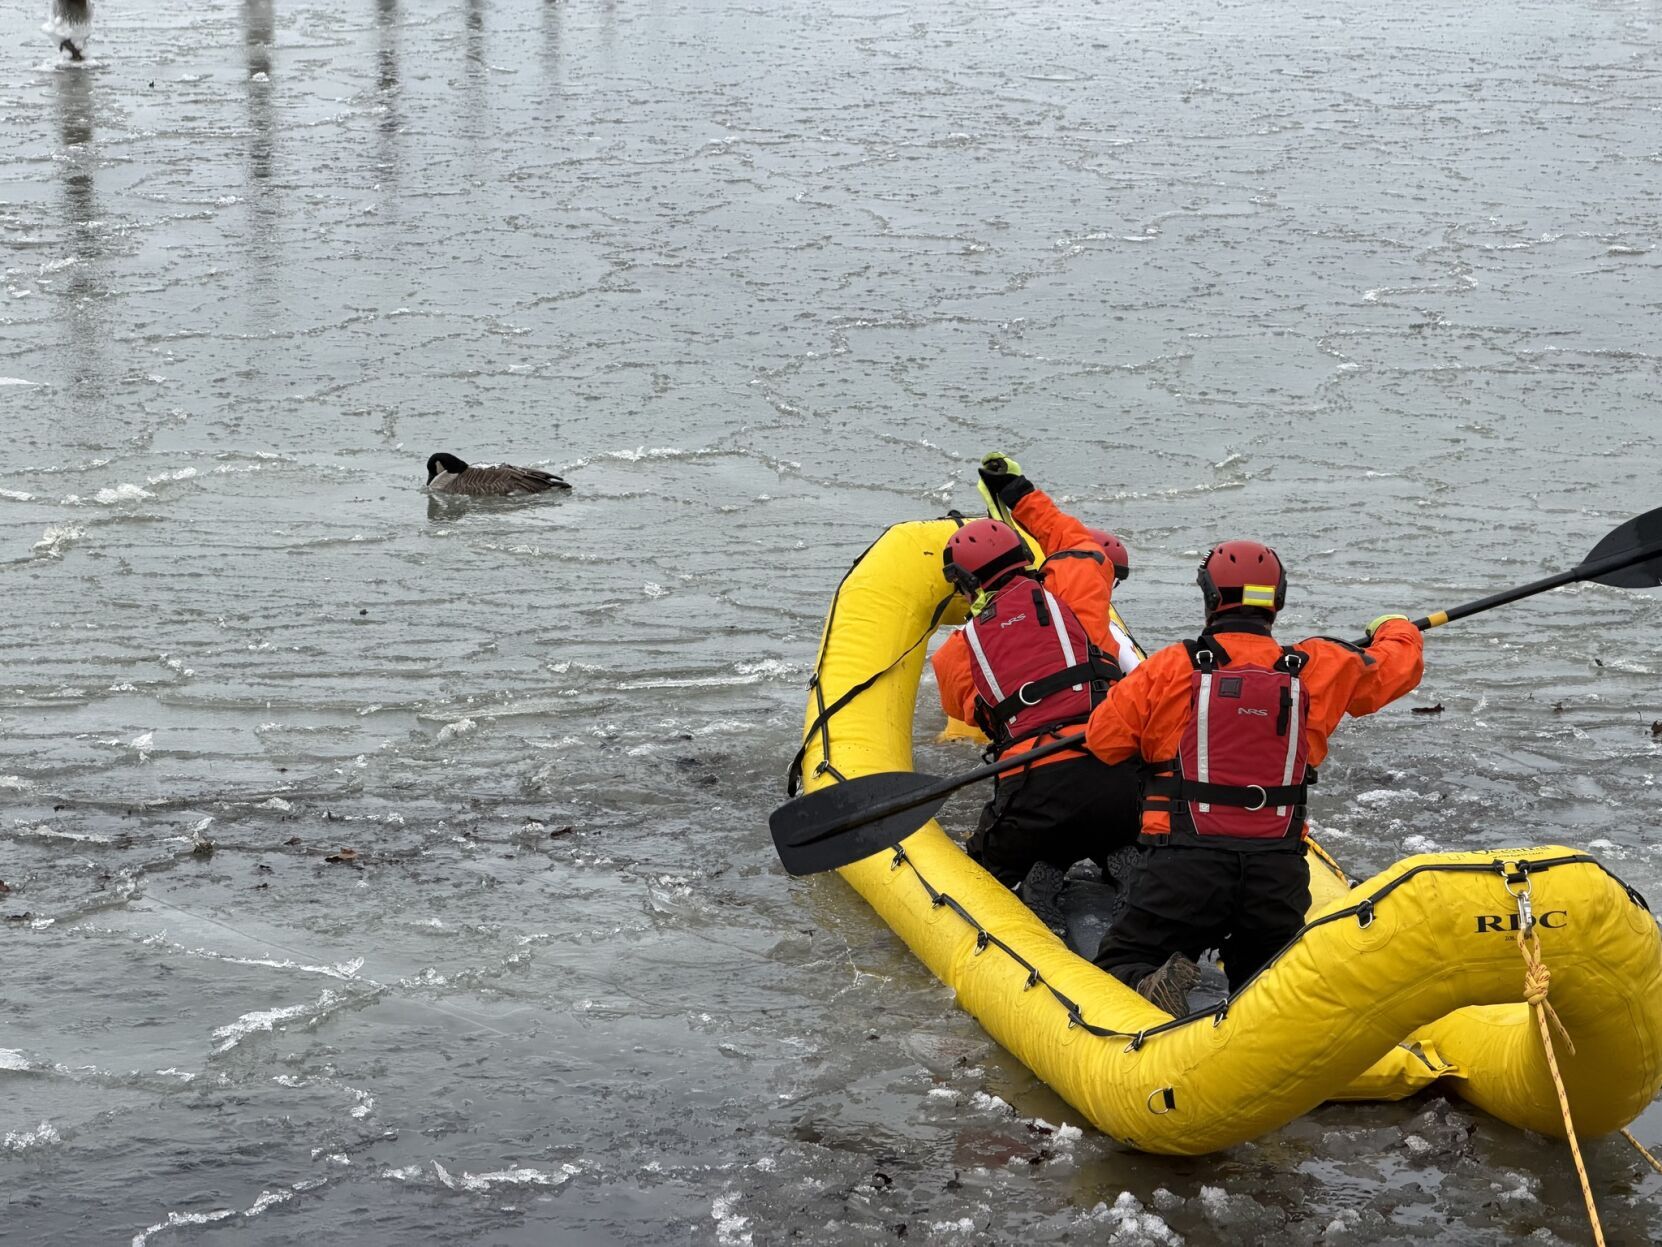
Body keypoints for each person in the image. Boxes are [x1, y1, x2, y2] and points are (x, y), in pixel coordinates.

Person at [1084, 540, 1424, 1013]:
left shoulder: (1171, 666)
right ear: (1277, 601)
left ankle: (1146, 982)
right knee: (1266, 978)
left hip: (1182, 867)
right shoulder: (1322, 665)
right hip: (1276, 872)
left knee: (1123, 959)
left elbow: (1104, 742)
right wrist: (1395, 628)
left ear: (1209, 598)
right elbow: (1396, 669)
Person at [930, 477, 1142, 930]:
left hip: (1035, 795)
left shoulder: (954, 653)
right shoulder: (1077, 580)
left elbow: (969, 713)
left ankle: (1038, 871)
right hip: (1118, 781)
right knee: (1115, 819)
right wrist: (1019, 492)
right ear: (1025, 558)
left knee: (982, 867)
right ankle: (1122, 859)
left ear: (966, 585)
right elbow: (1074, 540)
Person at [977, 452, 1144, 675]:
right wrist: (1020, 493)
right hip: (1100, 700)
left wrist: (1017, 492)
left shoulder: (984, 630)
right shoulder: (1086, 593)